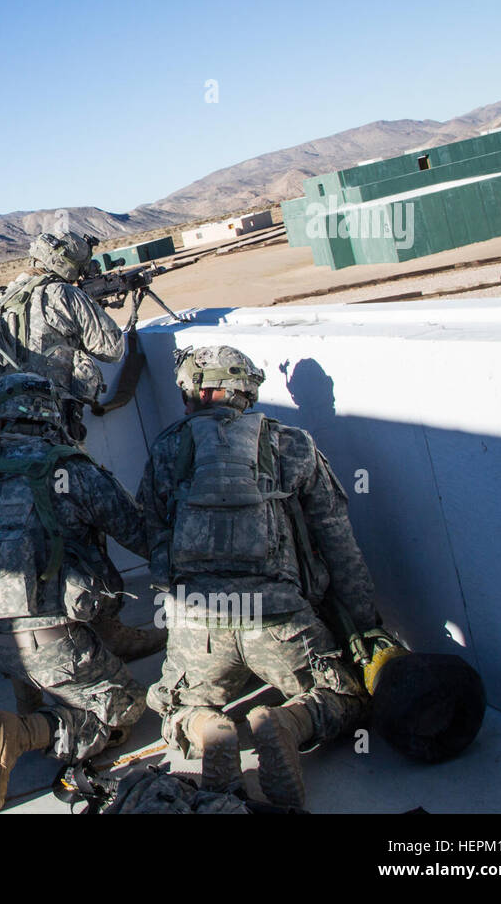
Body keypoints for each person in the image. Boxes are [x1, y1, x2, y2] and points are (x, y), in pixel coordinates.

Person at [135, 345, 376, 806]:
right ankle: (287, 723)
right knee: (345, 692)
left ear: (200, 390)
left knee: (177, 707)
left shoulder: (167, 448)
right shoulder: (293, 443)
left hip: (198, 627)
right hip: (279, 623)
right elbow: (340, 546)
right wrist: (367, 627)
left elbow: (155, 538)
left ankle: (211, 730)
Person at [0, 373, 149, 813]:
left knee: (8, 587)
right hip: (47, 643)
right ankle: (22, 733)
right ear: (51, 414)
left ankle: (27, 694)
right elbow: (140, 533)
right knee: (126, 707)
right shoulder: (71, 469)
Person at [0, 228, 126, 441]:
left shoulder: (2, 297)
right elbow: (112, 349)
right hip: (54, 417)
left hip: (10, 419)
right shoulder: (63, 293)